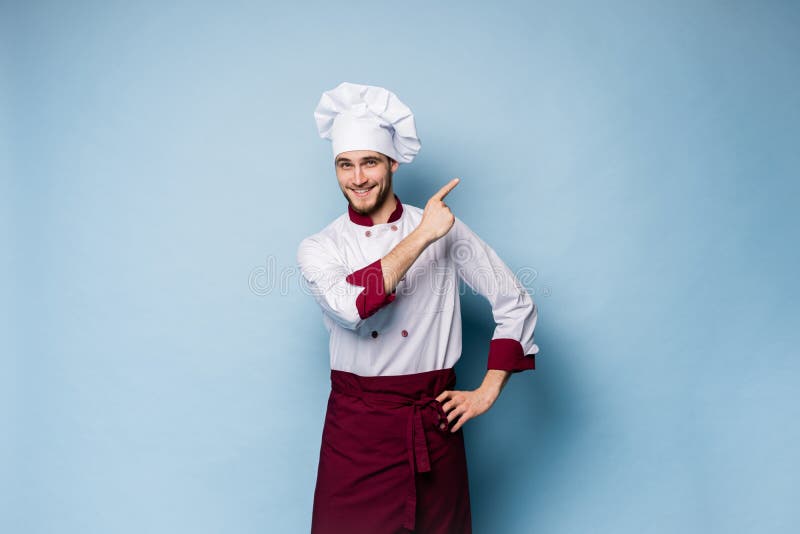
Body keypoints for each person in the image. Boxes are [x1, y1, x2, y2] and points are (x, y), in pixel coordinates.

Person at [297, 82, 539, 534]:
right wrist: (423, 234)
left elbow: (514, 301)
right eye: (344, 165)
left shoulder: (444, 227)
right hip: (356, 433)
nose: (358, 177)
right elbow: (354, 305)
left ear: (392, 162)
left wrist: (488, 389)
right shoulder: (319, 247)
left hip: (431, 426)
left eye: (369, 161)